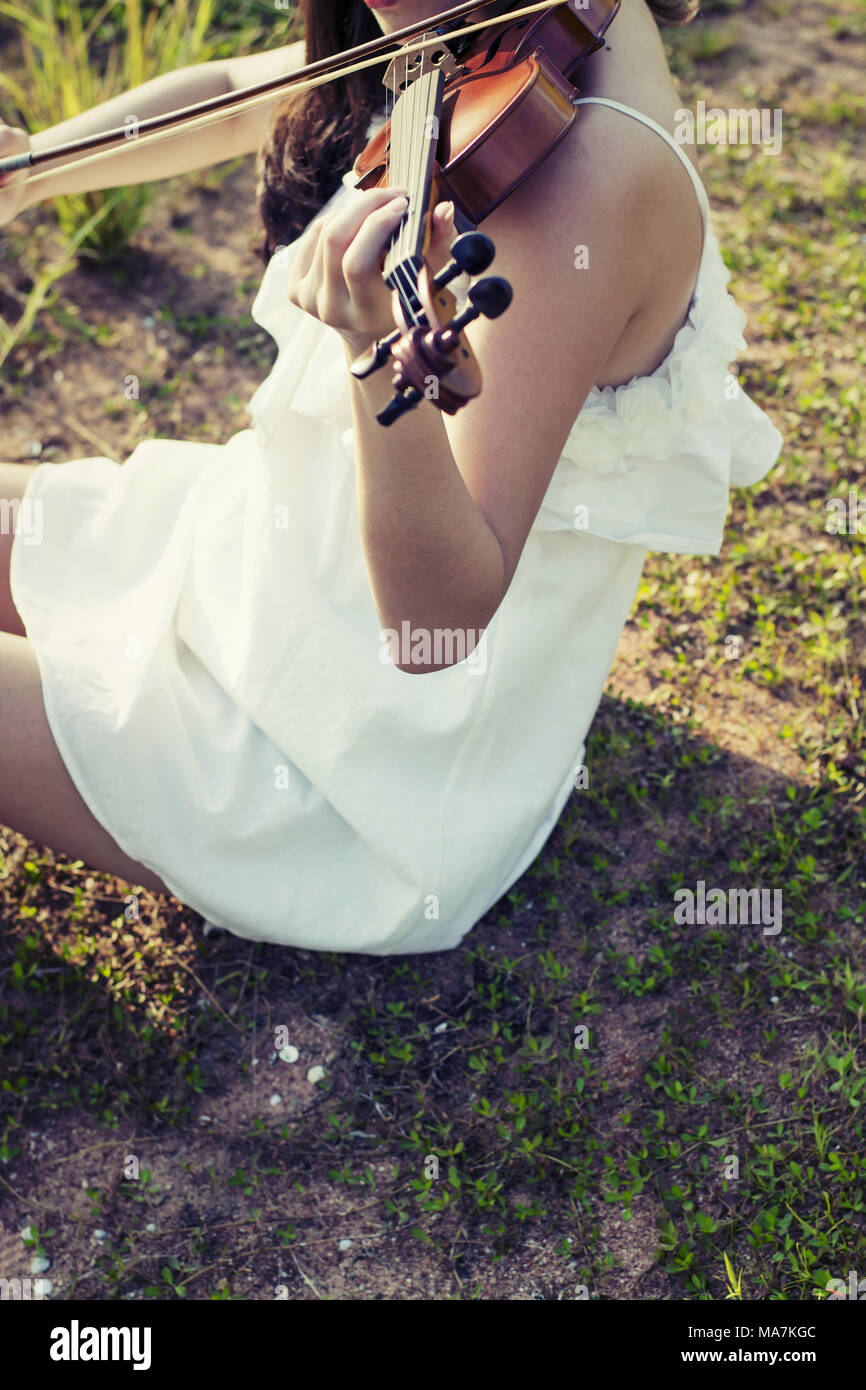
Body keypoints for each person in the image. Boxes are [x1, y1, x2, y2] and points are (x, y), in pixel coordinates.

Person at [0, 0, 782, 954]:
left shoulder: (585, 181)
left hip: (343, 769)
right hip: (252, 565)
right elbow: (251, 92)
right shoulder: (494, 28)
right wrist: (32, 165)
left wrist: (376, 351)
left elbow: (438, 617)